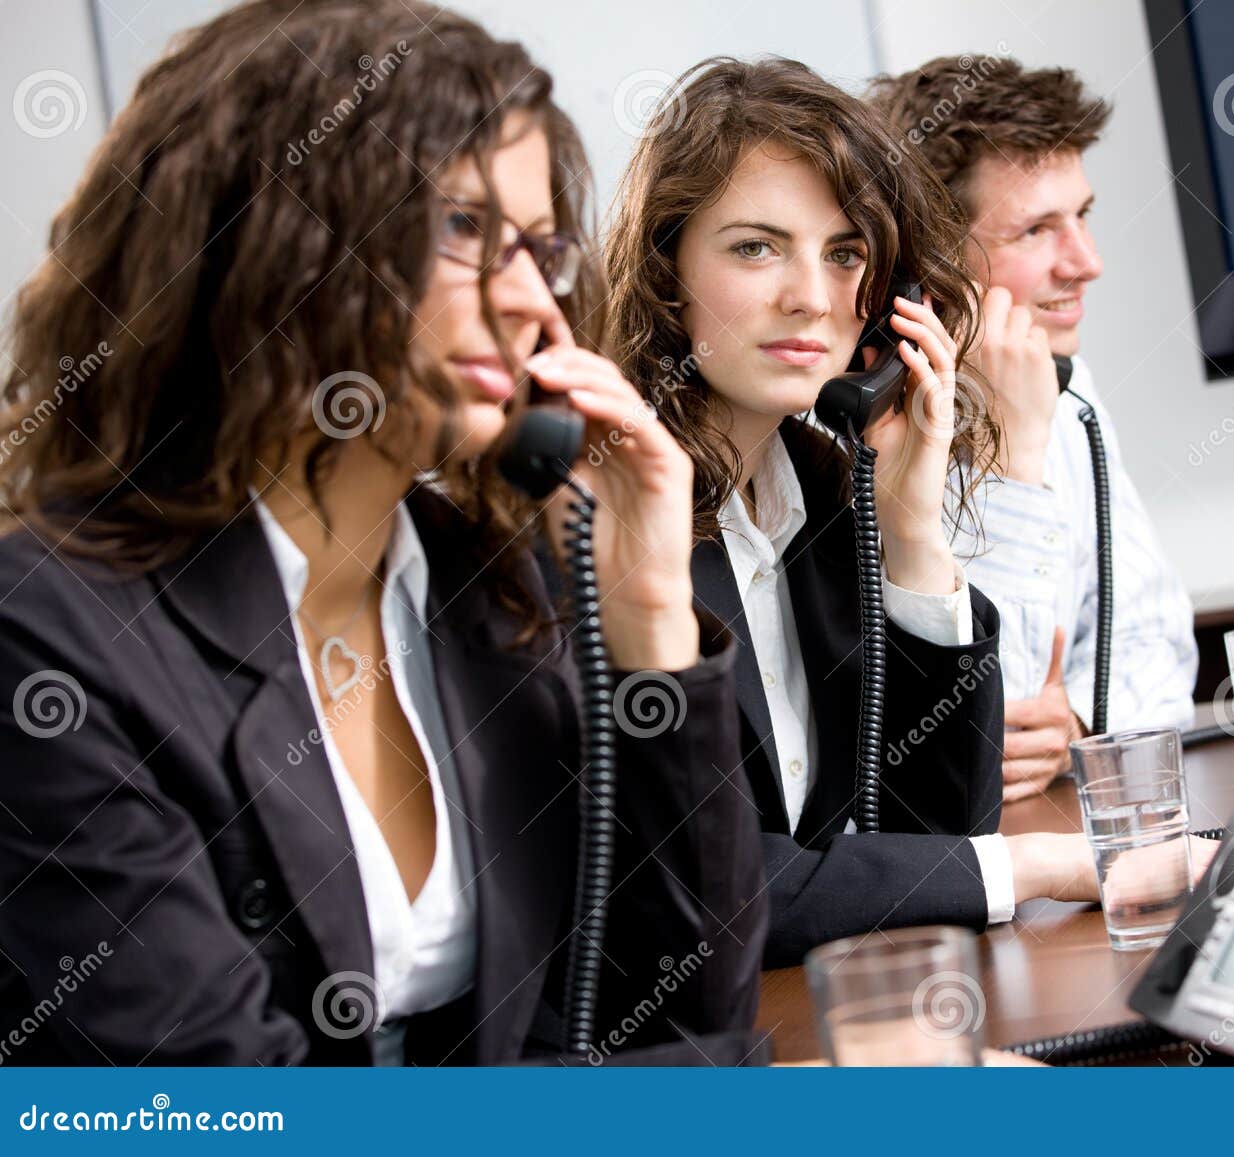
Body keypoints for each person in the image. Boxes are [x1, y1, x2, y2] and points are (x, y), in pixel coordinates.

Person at [0, 0, 764, 1065]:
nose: (524, 299)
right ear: (266, 239)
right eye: (460, 228)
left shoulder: (489, 590)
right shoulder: (49, 630)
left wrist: (646, 617)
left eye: (538, 248)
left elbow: (686, 1010)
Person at [601, 57, 1209, 966]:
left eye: (845, 253)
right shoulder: (608, 519)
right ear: (666, 273)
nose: (810, 295)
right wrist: (1043, 862)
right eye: (756, 247)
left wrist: (915, 533)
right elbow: (709, 887)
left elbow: (933, 824)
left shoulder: (822, 494)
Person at [867, 57, 1199, 802]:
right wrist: (1016, 458)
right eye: (1037, 230)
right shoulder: (859, 437)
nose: (1087, 263)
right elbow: (980, 743)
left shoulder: (1071, 393)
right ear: (931, 260)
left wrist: (1076, 718)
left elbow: (1158, 636)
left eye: (1081, 216)